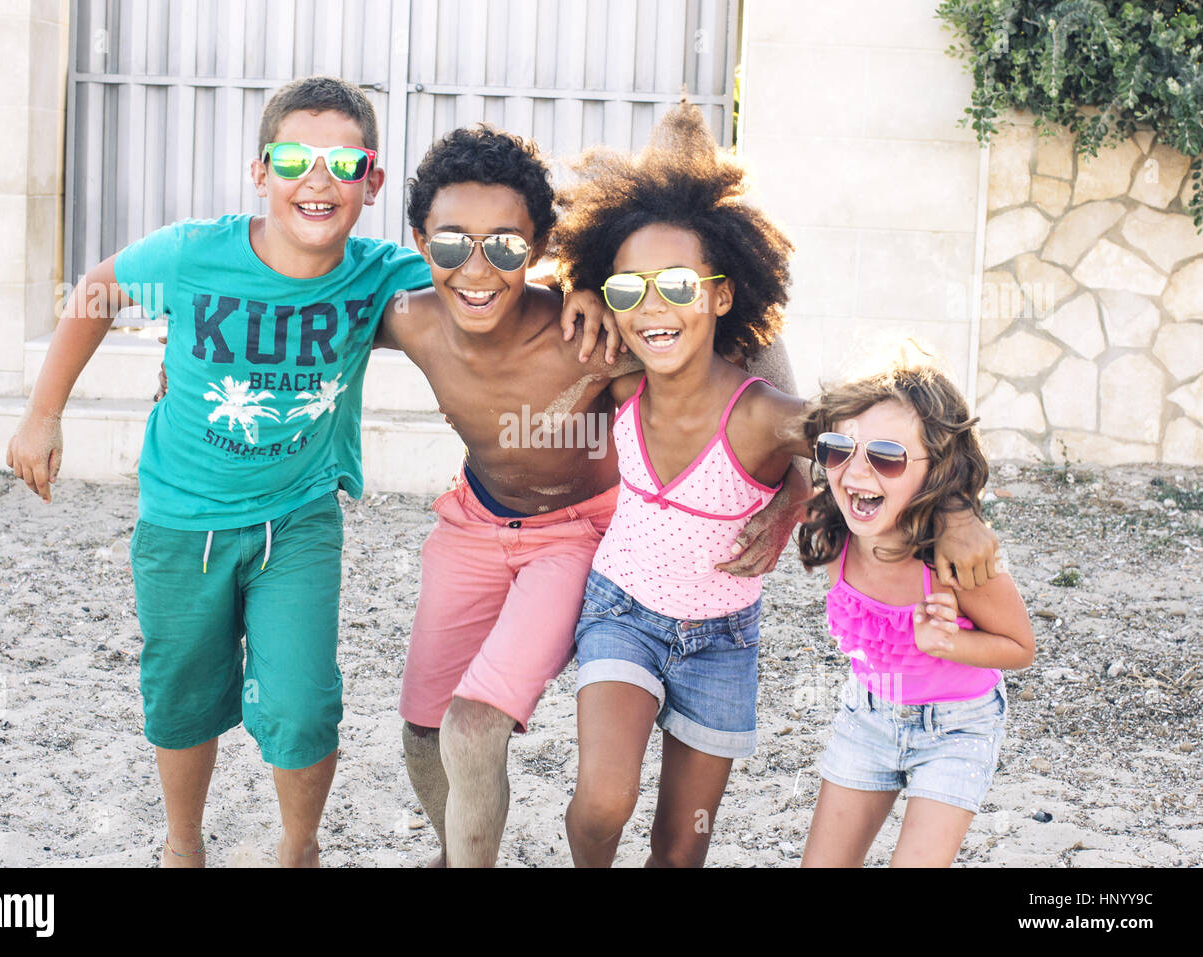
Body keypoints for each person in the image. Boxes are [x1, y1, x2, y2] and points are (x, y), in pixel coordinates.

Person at [552, 103, 1003, 867]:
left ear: (724, 294)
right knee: (602, 801)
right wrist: (579, 288)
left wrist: (957, 510)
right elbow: (511, 300)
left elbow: (892, 425)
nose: (652, 306)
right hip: (620, 610)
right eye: (629, 289)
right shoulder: (618, 376)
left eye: (677, 285)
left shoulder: (763, 415)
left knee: (681, 845)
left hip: (723, 640)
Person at [6, 75, 438, 868]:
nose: (318, 179)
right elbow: (98, 292)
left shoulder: (381, 274)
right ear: (259, 170)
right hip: (180, 520)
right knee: (183, 694)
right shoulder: (193, 255)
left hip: (299, 519)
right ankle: (183, 843)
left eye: (345, 164)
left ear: (372, 183)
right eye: (293, 158)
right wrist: (43, 412)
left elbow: (486, 297)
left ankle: (299, 847)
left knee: (305, 705)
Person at [381, 125, 810, 867]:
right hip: (478, 522)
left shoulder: (600, 336)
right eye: (451, 245)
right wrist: (187, 368)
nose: (477, 267)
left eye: (507, 247)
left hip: (589, 540)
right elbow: (306, 315)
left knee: (482, 732)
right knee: (428, 732)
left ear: (541, 246)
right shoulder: (414, 314)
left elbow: (750, 351)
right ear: (421, 241)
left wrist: (797, 483)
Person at [796, 353, 1034, 867]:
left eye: (886, 456)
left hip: (957, 729)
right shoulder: (832, 528)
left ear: (937, 471)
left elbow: (1021, 647)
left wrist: (951, 643)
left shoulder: (955, 559)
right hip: (868, 716)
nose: (856, 471)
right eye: (838, 449)